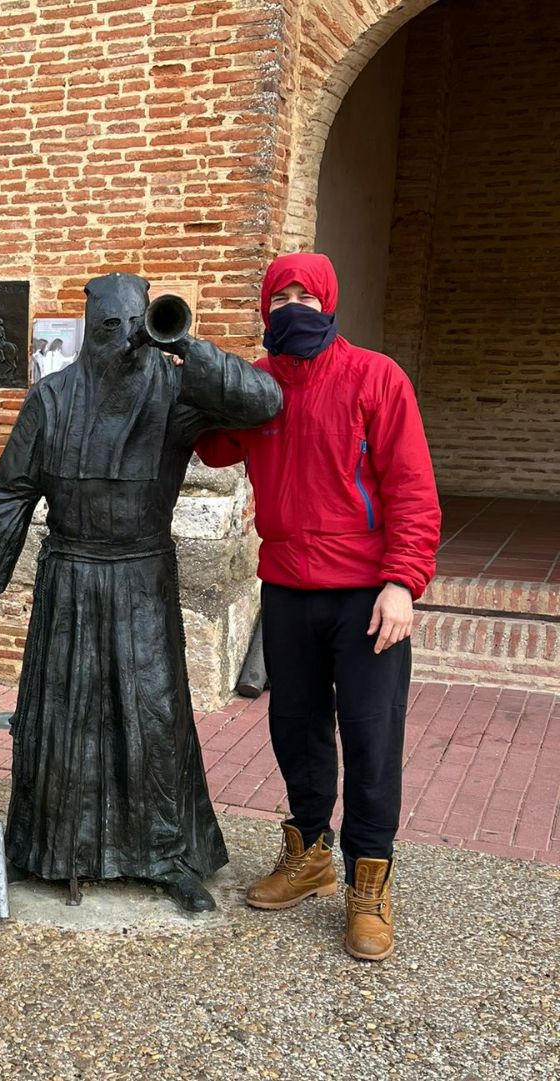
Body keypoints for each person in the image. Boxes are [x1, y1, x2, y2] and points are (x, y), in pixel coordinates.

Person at [0, 272, 282, 912]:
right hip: (70, 576)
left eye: (135, 326)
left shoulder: (175, 387)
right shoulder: (50, 399)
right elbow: (11, 493)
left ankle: (166, 855)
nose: (124, 340)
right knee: (60, 715)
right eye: (109, 327)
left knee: (152, 718)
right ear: (88, 332)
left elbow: (263, 402)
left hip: (141, 577)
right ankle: (51, 849)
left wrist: (188, 343)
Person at [196, 251, 440, 961]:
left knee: (371, 738)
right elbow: (214, 449)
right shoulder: (261, 386)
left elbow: (412, 488)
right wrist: (209, 385)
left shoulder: (376, 377)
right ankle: (310, 855)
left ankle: (370, 880)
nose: (294, 304)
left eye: (307, 293)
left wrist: (404, 580)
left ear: (329, 300)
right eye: (282, 295)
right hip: (289, 590)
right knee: (296, 728)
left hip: (367, 592)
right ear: (266, 306)